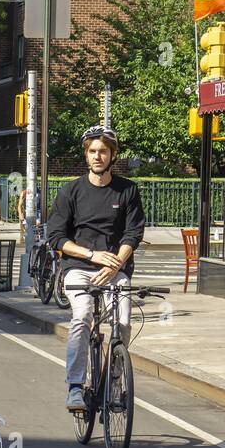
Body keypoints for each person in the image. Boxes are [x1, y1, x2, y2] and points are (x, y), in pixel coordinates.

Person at [45, 125, 146, 413]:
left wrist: (115, 263)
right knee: (83, 316)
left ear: (113, 155)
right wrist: (93, 255)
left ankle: (114, 382)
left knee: (123, 321)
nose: (97, 156)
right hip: (78, 268)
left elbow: (133, 234)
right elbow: (57, 238)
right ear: (86, 155)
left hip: (116, 270)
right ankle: (75, 387)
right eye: (92, 151)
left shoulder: (127, 190)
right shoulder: (71, 191)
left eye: (103, 151)